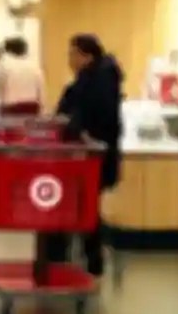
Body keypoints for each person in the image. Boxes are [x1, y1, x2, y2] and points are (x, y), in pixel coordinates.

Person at [40, 34, 122, 277]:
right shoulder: (97, 79)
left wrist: (69, 126)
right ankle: (86, 258)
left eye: (72, 54)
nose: (69, 59)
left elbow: (88, 117)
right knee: (84, 205)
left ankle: (79, 258)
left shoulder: (96, 83)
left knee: (82, 205)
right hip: (89, 157)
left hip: (89, 158)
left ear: (86, 56)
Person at [0, 36, 43, 115]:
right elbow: (41, 93)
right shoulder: (35, 66)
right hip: (31, 109)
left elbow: (0, 92)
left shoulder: (4, 65)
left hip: (10, 110)